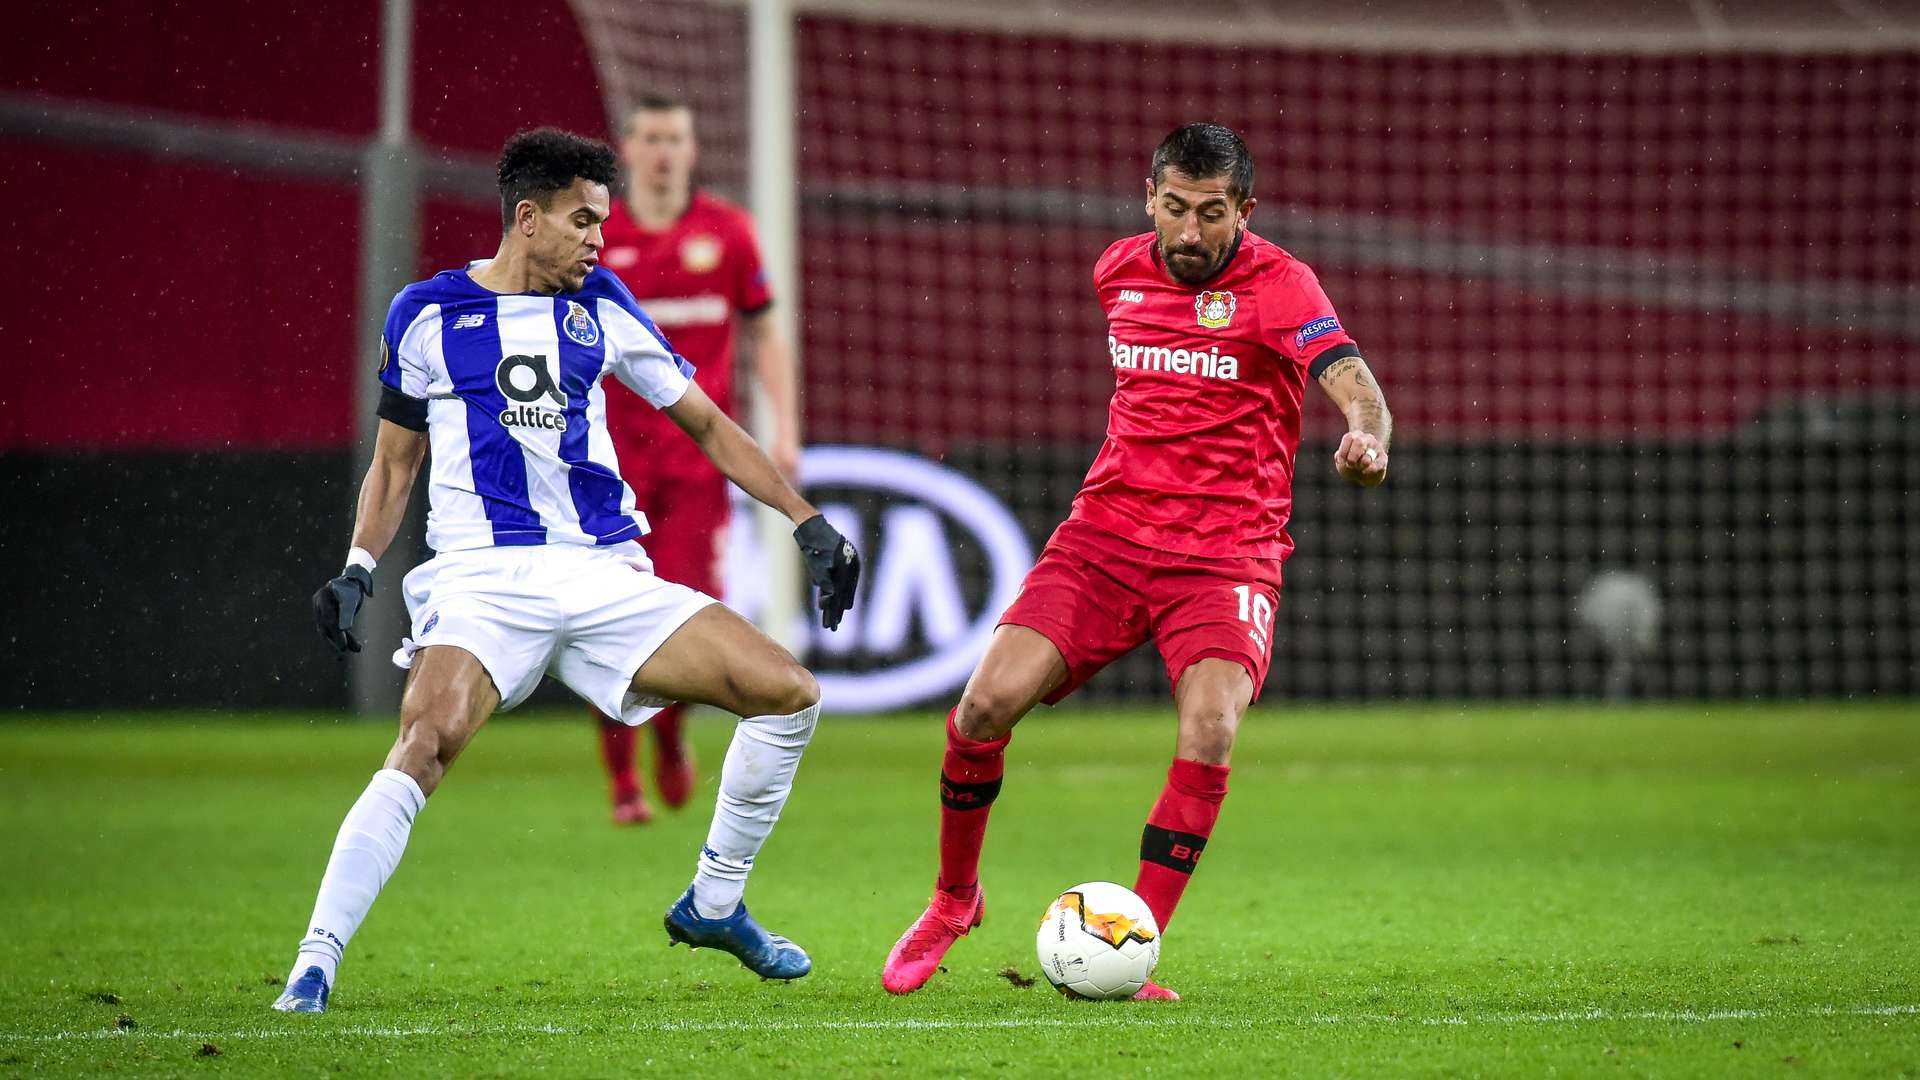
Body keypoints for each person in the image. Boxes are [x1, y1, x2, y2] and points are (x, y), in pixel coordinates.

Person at [273, 128, 860, 1014]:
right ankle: (313, 964)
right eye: (583, 221)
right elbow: (395, 465)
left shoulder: (603, 304)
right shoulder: (425, 314)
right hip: (481, 578)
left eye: (603, 223)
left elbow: (706, 422)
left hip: (601, 574)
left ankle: (714, 902)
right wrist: (358, 566)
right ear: (527, 219)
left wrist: (806, 522)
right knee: (423, 745)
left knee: (789, 693)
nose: (598, 239)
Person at [879, 123, 1393, 1002]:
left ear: (1245, 211)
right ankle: (954, 900)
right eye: (1176, 208)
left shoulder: (1282, 284)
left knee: (1211, 728)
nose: (1191, 232)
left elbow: (1353, 380)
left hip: (1226, 556)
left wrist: (1367, 437)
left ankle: (1134, 948)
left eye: (1213, 214)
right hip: (1105, 540)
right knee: (983, 706)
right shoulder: (1116, 271)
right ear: (1149, 197)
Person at [589, 93, 803, 825]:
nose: (663, 151)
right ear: (628, 149)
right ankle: (623, 778)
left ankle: (670, 734)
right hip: (608, 463)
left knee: (686, 608)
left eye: (674, 138)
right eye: (650, 137)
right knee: (605, 612)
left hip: (696, 463)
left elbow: (766, 333)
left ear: (691, 149)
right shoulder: (599, 238)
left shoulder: (728, 233)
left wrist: (785, 428)